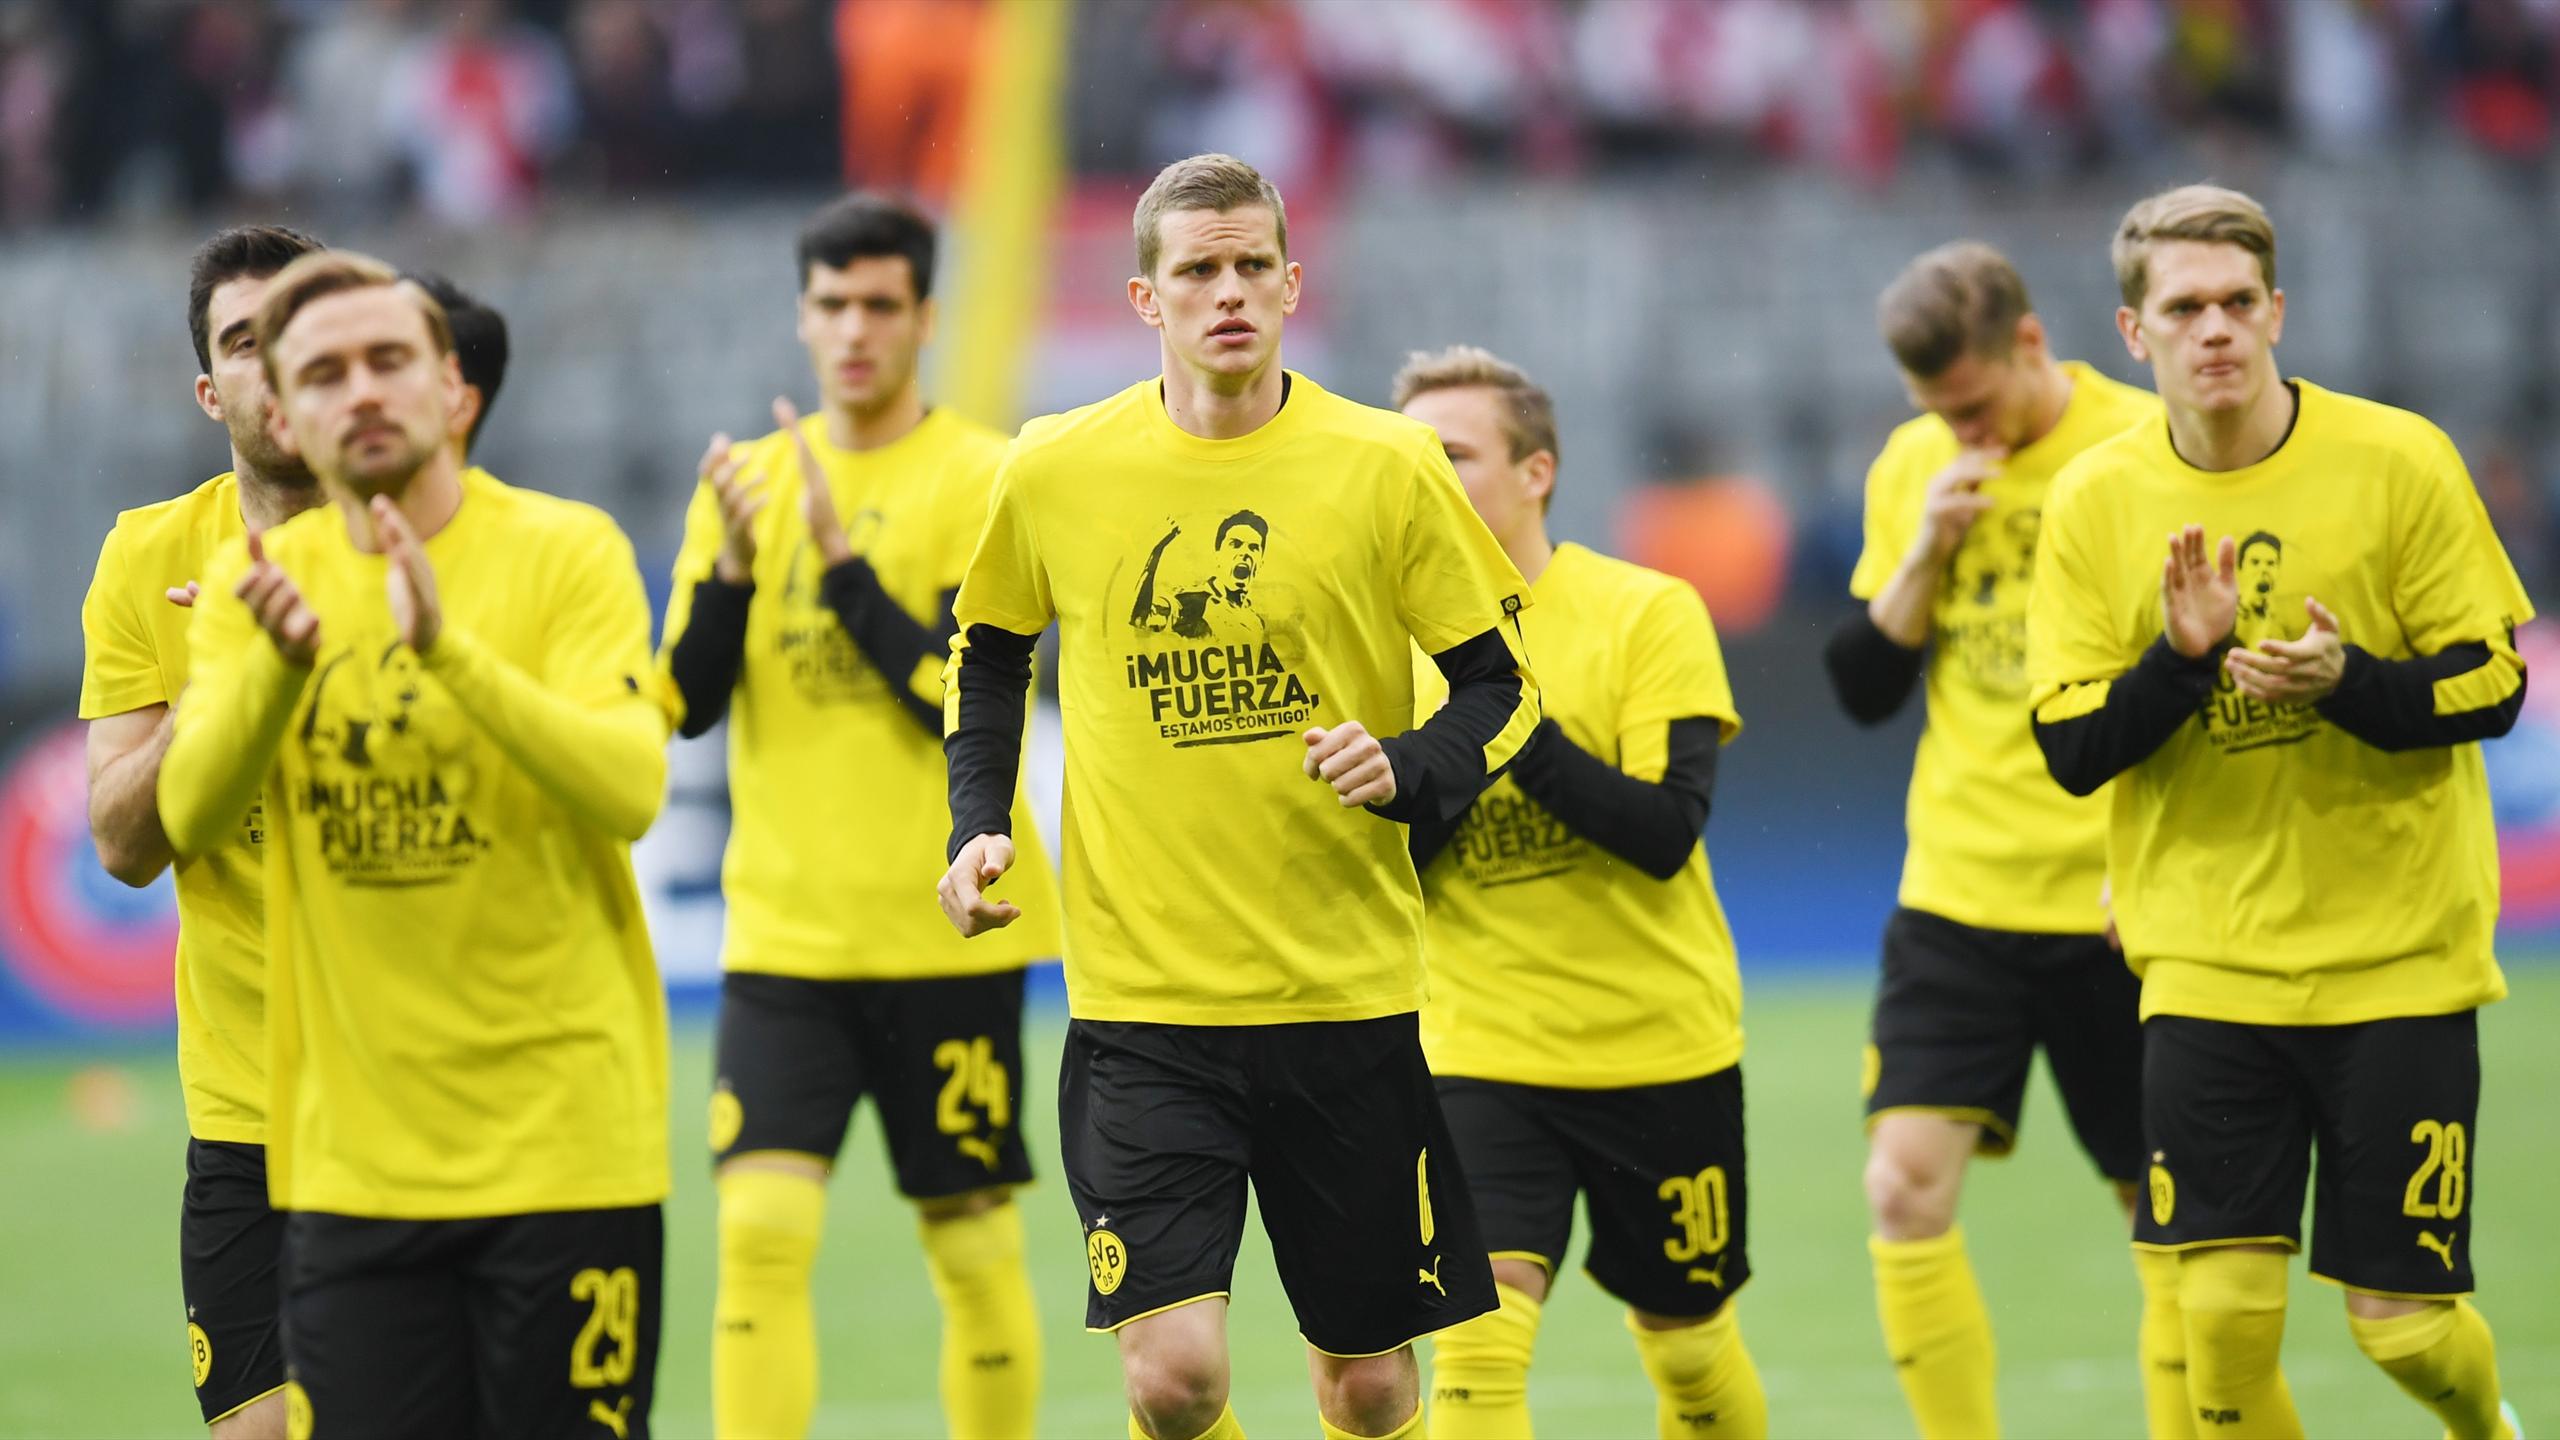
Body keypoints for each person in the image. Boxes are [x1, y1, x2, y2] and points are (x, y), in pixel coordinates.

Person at [937, 153, 1539, 1440]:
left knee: (1369, 1390)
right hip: (1142, 1010)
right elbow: (988, 649)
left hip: (1344, 994)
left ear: (1290, 283)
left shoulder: (1385, 464)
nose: (1228, 292)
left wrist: (1412, 763)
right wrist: (978, 817)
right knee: (1173, 1381)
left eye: (1251, 266)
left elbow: (1503, 689)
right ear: (1144, 299)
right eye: (1197, 270)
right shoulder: (1053, 466)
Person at [2028, 184, 2528, 1440]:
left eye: (2238, 303)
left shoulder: (2398, 458)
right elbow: (2073, 748)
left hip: (2396, 960)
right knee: (2223, 1337)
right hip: (2204, 968)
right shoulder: (2092, 501)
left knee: (2402, 1330)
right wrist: (2181, 663)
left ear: (2276, 312)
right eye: (2184, 307)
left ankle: (2491, 1429)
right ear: (2134, 336)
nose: (2216, 330)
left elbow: (2493, 682)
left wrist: (2345, 680)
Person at [157, 250, 673, 1438]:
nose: (364, 391)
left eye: (390, 359)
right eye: (326, 372)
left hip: (564, 1153)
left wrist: (451, 657)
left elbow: (631, 784)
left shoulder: (566, 550)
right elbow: (184, 816)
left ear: (453, 390)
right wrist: (276, 678)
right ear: (283, 411)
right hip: (353, 1173)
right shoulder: (255, 589)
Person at [656, 193, 1059, 1440]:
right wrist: (732, 573)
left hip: (951, 926)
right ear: (801, 317)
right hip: (784, 938)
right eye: (831, 305)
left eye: (880, 304)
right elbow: (684, 704)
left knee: (973, 1247)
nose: (854, 330)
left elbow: (963, 688)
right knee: (760, 1238)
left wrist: (840, 572)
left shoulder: (984, 476)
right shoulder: (743, 484)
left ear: (925, 318)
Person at [1820, 241, 2170, 1439]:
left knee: (2161, 1208)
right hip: (1959, 893)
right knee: (1901, 1186)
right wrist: (1924, 547)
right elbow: (1864, 689)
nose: (1961, 431)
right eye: (1935, 411)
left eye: (1973, 404)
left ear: (2031, 343)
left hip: (2118, 898)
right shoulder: (1917, 465)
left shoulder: (2144, 449)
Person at [1391, 346, 1764, 1440]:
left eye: (1451, 454)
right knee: (1477, 1342)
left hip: (1659, 1049)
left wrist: (1504, 722)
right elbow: (1388, 862)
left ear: (1536, 471)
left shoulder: (1645, 613)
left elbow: (1661, 833)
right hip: (1479, 1054)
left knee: (1689, 1352)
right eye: (1409, 458)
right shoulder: (1377, 641)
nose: (1426, 478)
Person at [78, 223, 323, 1440]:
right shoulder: (146, 561)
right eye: (244, 341)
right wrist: (220, 696)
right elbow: (122, 846)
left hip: (425, 1100)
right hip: (244, 1110)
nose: (274, 365)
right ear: (208, 389)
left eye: (299, 336)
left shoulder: (440, 547)